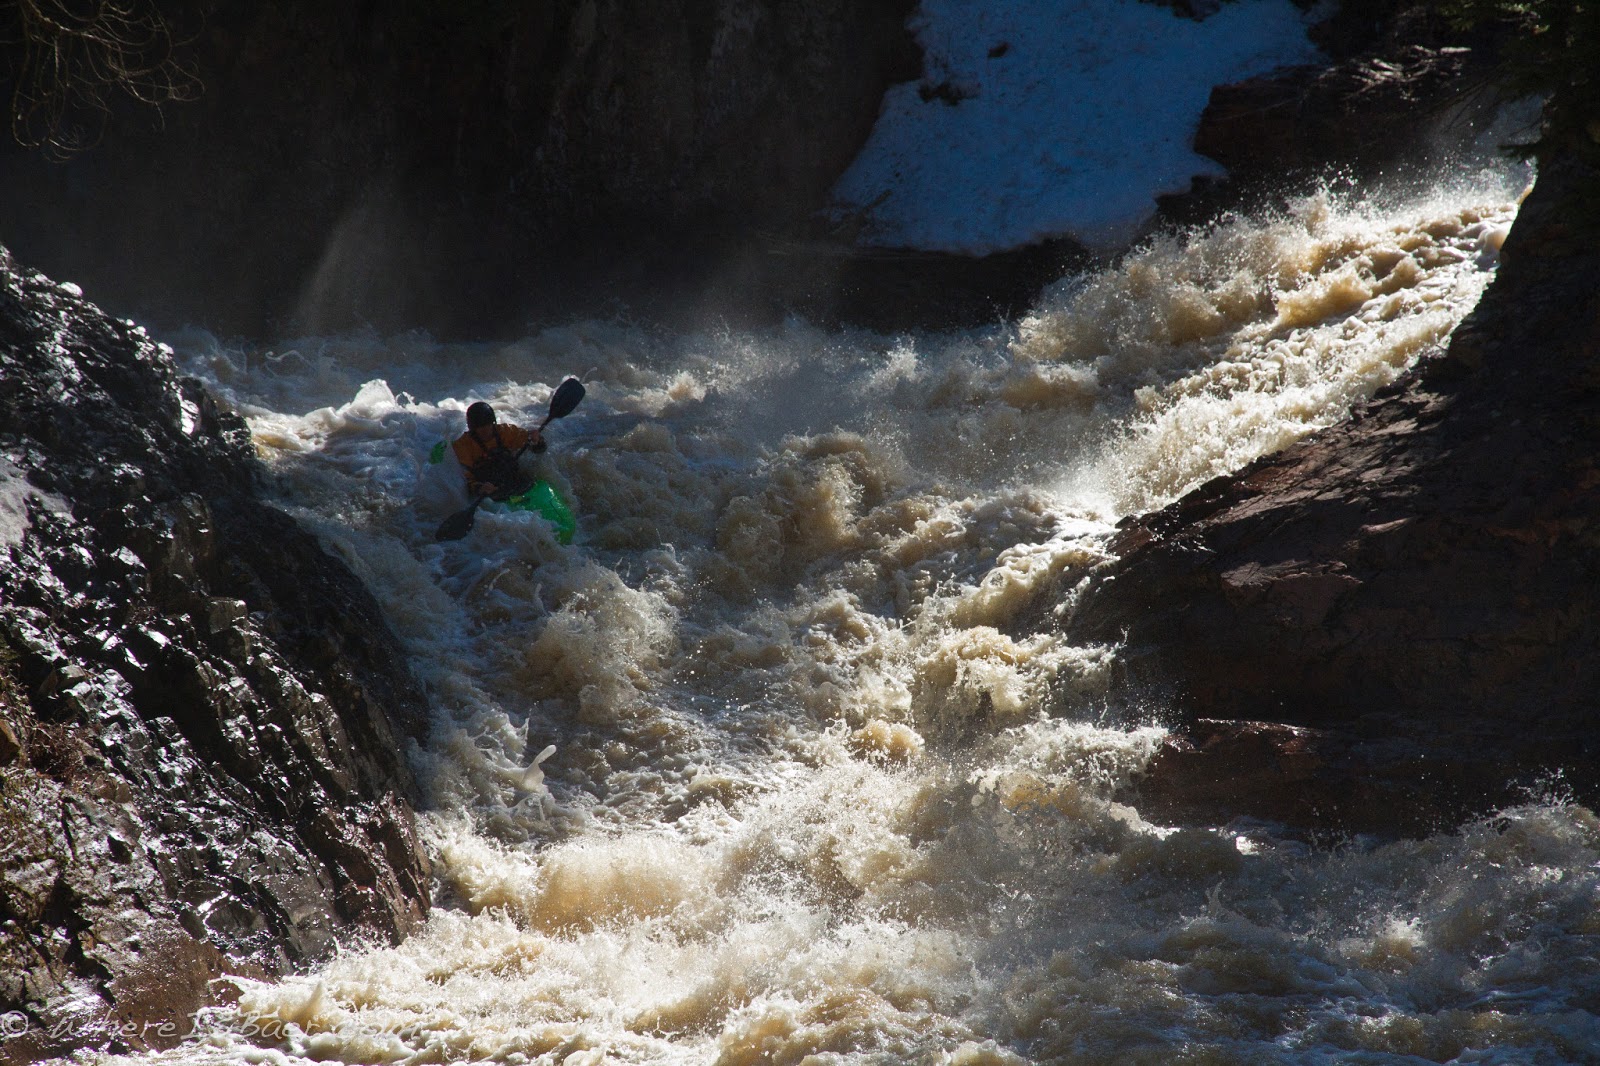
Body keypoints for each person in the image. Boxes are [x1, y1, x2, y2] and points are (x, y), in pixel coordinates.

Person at [451, 401, 545, 500]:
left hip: (510, 480)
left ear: (493, 423)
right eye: (480, 427)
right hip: (489, 490)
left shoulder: (505, 431)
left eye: (488, 425)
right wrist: (479, 487)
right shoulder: (462, 446)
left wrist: (537, 441)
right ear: (472, 429)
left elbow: (538, 449)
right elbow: (463, 480)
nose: (486, 430)